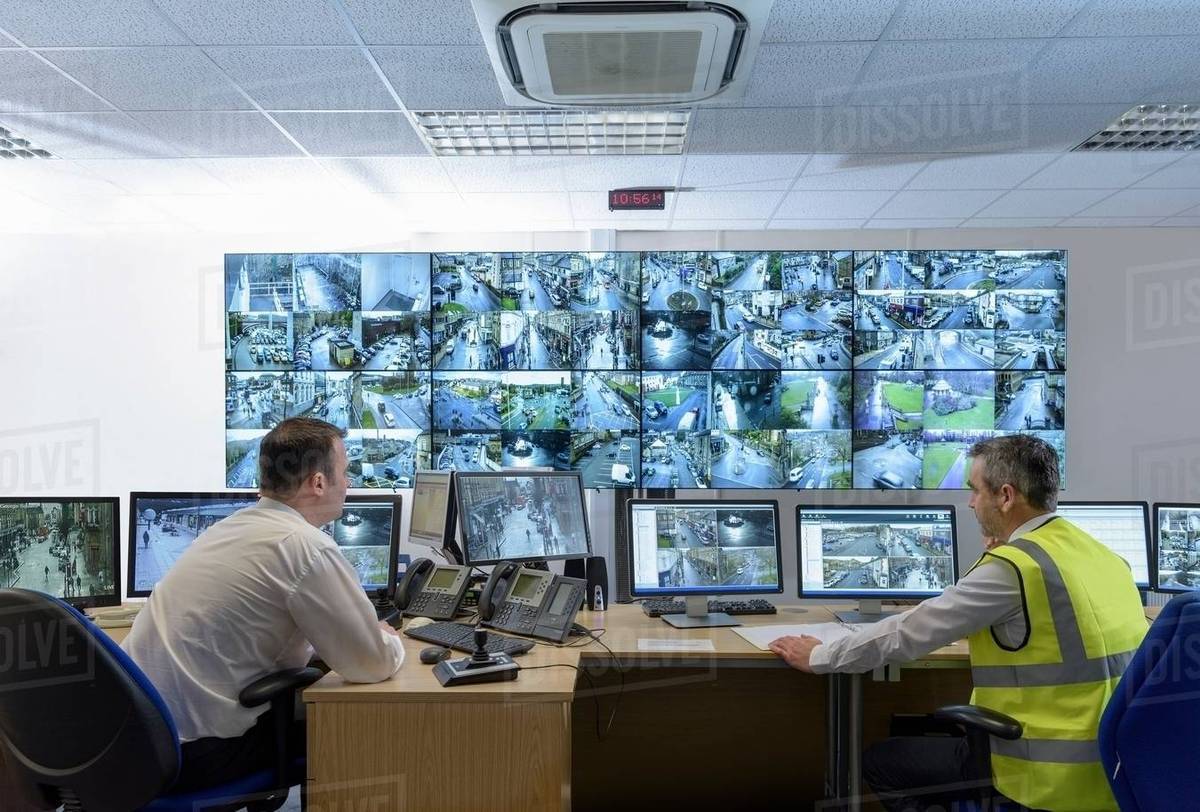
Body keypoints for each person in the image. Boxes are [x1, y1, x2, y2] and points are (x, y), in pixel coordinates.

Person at [768, 435, 1146, 812]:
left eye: (975, 490)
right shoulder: (1102, 556)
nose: (969, 502)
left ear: (1006, 496)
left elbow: (908, 634)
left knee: (883, 762)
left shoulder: (1015, 567)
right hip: (1113, 769)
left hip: (1044, 772)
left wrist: (820, 655)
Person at [122, 418, 404, 794]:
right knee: (360, 728)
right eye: (345, 471)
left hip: (133, 743)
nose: (349, 482)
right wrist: (388, 639)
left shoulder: (228, 528)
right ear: (318, 482)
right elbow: (371, 664)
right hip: (196, 757)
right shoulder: (306, 547)